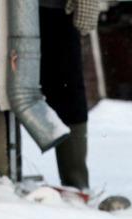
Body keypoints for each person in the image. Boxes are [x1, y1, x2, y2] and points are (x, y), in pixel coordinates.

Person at [39, 0, 101, 192]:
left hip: (56, 14)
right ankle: (76, 182)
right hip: (27, 13)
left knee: (69, 96)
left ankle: (76, 184)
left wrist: (85, 12)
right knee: (67, 95)